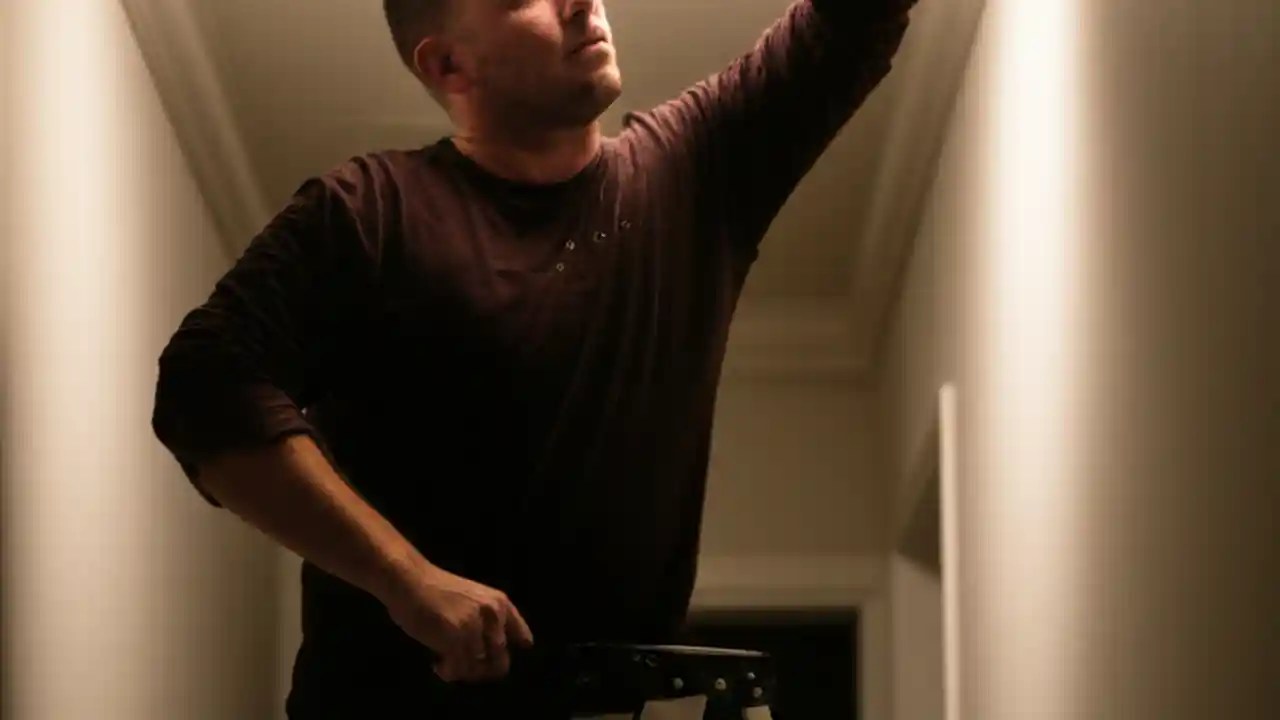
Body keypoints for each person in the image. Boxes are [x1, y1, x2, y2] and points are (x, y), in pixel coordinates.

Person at [151, 0, 916, 716]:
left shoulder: (690, 174)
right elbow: (205, 383)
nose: (581, 1)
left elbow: (848, 23)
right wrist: (406, 581)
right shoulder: (366, 214)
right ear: (449, 67)